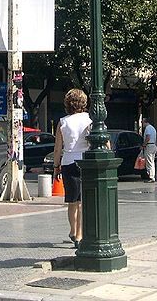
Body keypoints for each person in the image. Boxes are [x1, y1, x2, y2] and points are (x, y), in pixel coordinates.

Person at [52, 88, 92, 249]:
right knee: (82, 201)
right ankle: (80, 235)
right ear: (84, 103)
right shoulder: (89, 120)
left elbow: (57, 148)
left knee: (72, 200)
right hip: (85, 162)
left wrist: (56, 167)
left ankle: (73, 231)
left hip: (68, 162)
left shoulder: (63, 122)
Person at [141, 117, 157, 182]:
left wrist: (143, 145)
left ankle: (151, 177)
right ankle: (152, 176)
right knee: (152, 161)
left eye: (142, 122)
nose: (142, 124)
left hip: (149, 146)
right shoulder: (153, 128)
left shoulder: (148, 128)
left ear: (145, 122)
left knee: (149, 162)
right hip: (153, 145)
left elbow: (148, 137)